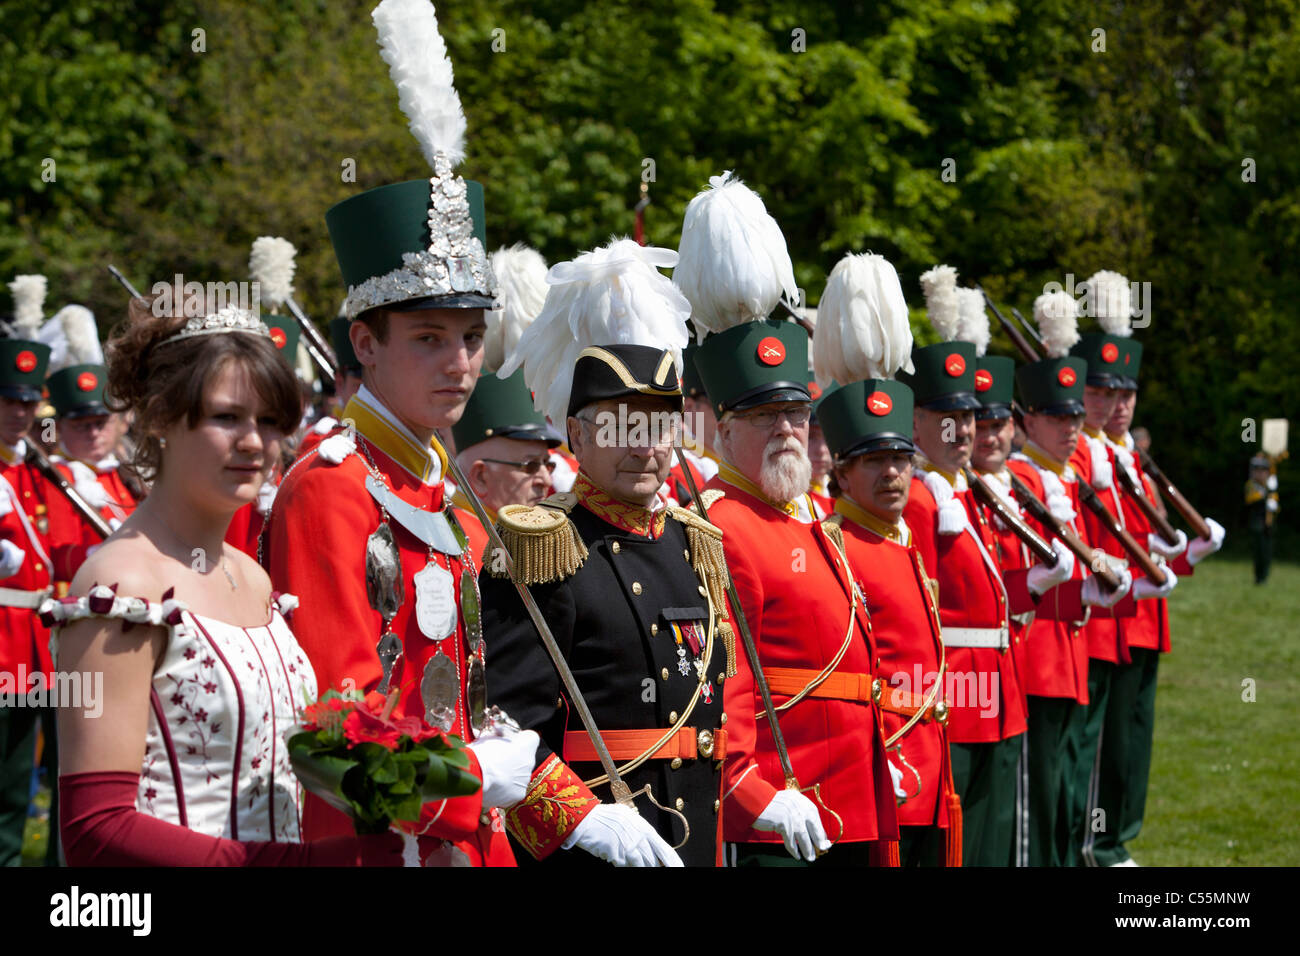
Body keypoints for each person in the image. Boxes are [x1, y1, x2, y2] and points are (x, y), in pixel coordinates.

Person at [263, 0, 537, 865]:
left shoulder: (437, 487)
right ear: (366, 344)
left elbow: (466, 700)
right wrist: (464, 785)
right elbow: (336, 722)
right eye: (427, 339)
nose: (459, 363)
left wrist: (561, 804)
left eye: (469, 337)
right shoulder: (330, 488)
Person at [42, 295, 420, 865]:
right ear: (159, 418)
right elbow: (95, 831)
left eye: (270, 422)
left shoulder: (255, 577)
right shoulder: (121, 587)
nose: (254, 442)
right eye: (226, 417)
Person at [819, 377, 961, 866]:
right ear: (841, 472)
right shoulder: (834, 546)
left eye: (900, 459)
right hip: (882, 759)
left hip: (926, 754)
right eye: (874, 461)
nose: (892, 473)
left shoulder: (898, 539)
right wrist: (879, 758)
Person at [1, 274, 81, 866]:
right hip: (2, 647)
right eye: (10, 401)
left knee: (60, 777)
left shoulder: (42, 470)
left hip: (44, 647)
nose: (22, 413)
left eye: (30, 402)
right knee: (5, 785)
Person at [449, 369, 558, 562]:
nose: (546, 480)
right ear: (481, 476)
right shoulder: (456, 545)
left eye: (547, 464)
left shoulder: (512, 537)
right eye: (530, 465)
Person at [1245, 455, 1278, 584]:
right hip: (1257, 523)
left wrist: (1273, 500)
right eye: (1258, 471)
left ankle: (1265, 576)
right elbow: (1251, 500)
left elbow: (1275, 504)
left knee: (1267, 551)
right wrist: (1266, 496)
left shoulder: (1270, 486)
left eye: (1263, 471)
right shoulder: (1251, 485)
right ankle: (1258, 577)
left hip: (1268, 524)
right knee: (1258, 551)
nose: (1261, 473)